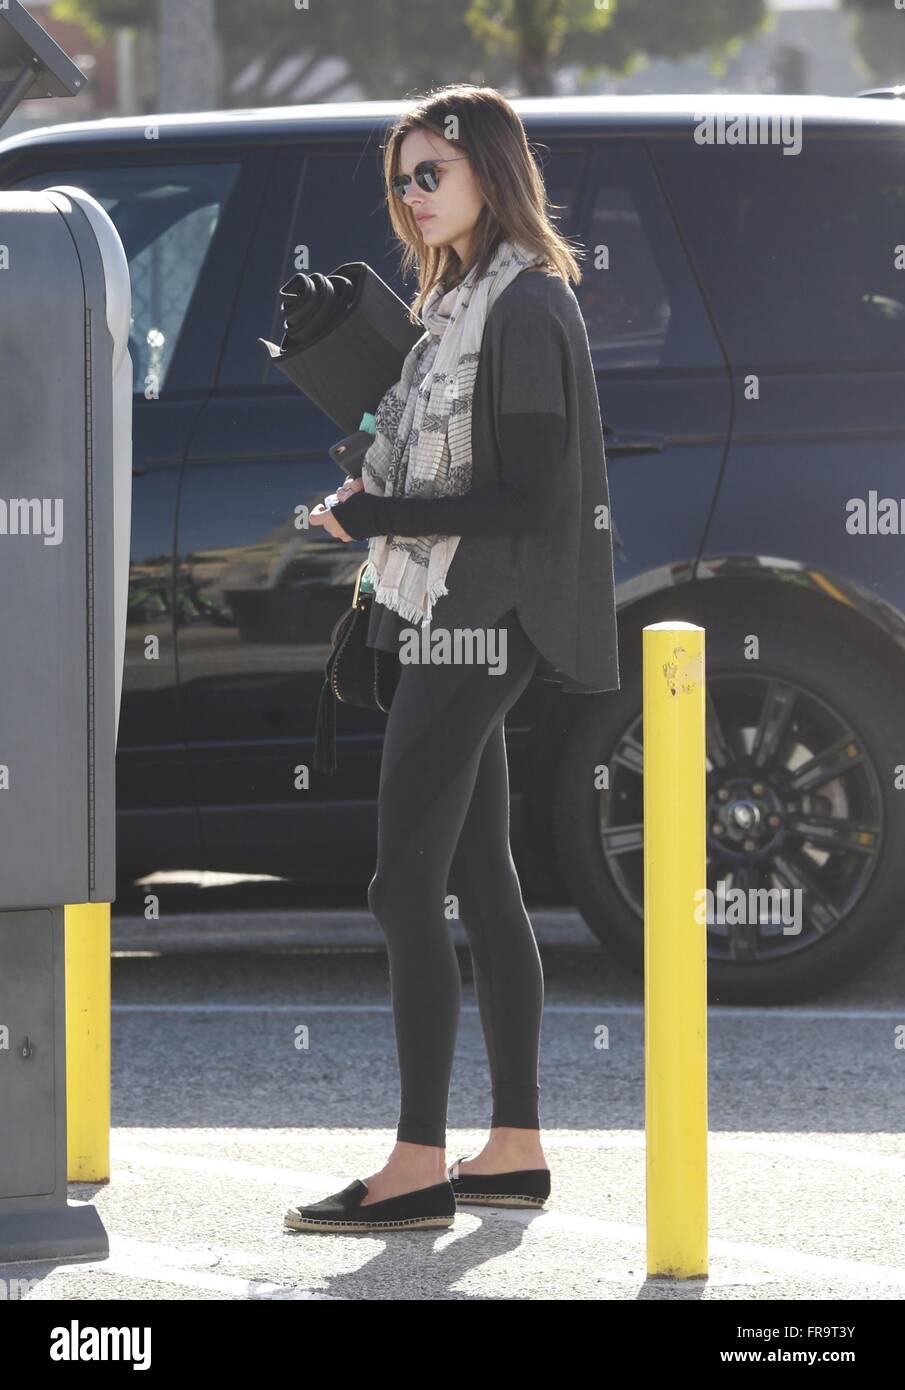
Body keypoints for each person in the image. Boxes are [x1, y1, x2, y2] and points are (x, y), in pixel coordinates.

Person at [285, 83, 620, 1235]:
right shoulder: (457, 303)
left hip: (481, 618)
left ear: (491, 169)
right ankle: (512, 1148)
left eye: (432, 172)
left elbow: (528, 497)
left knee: (400, 885)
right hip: (448, 606)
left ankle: (415, 1164)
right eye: (401, 180)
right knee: (479, 875)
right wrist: (367, 480)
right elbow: (452, 460)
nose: (412, 195)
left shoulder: (522, 306)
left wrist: (375, 518)